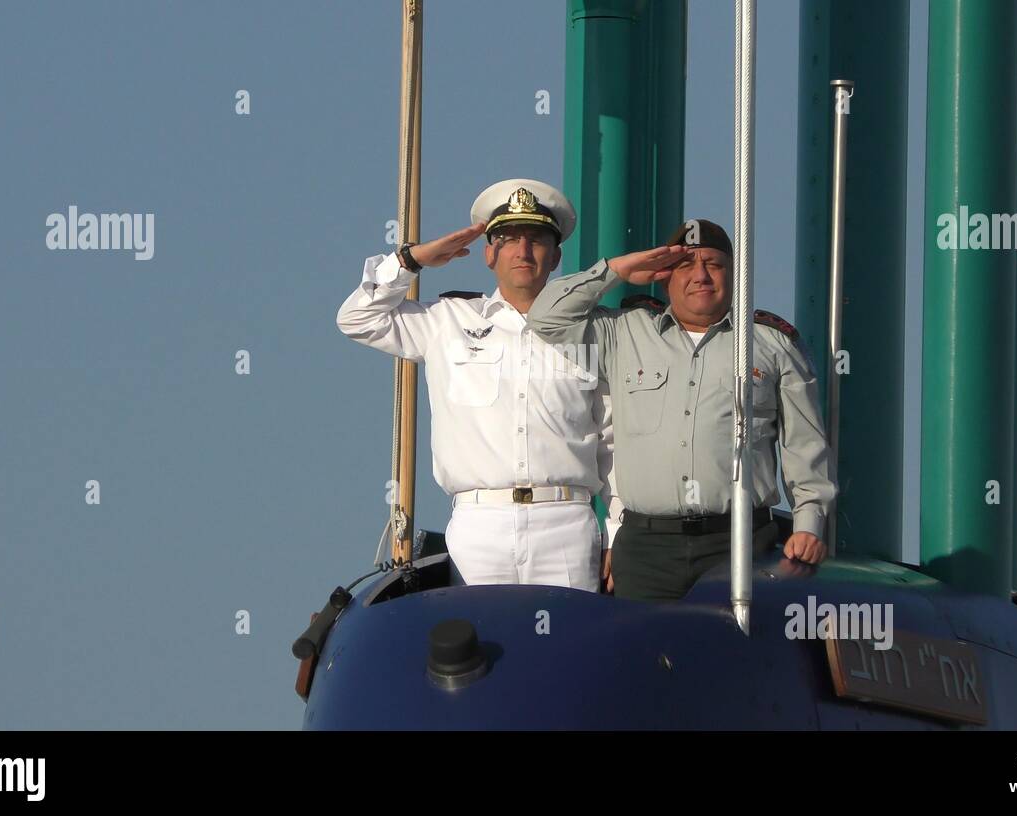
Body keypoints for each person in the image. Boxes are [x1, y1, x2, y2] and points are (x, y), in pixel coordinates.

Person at [526, 218, 835, 601]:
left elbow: (805, 446)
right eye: (686, 265)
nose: (701, 275)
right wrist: (616, 270)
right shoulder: (623, 333)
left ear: (734, 274)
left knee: (734, 658)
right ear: (664, 277)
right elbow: (546, 318)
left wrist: (809, 523)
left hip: (740, 542)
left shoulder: (772, 345)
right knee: (643, 659)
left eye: (714, 264)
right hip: (646, 549)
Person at [337, 179, 621, 592]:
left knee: (564, 650)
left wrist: (617, 532)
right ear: (489, 254)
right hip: (479, 524)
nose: (523, 251)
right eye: (507, 239)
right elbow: (357, 319)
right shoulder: (447, 321)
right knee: (483, 650)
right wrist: (410, 260)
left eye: (537, 239)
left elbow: (612, 440)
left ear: (556, 255)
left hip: (565, 522)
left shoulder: (591, 329)